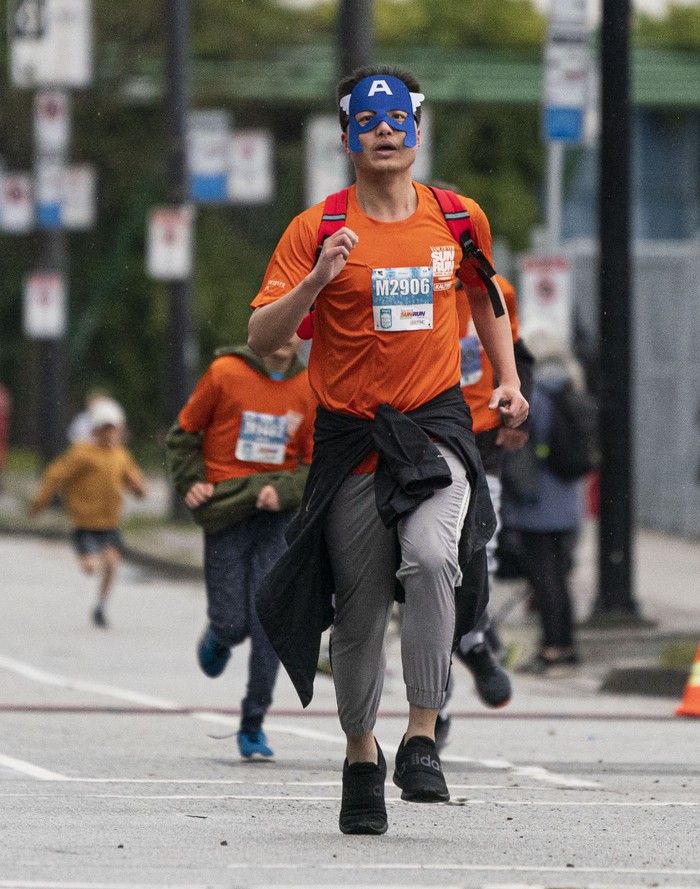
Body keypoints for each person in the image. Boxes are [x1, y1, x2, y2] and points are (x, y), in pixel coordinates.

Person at [247, 66, 528, 835]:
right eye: (367, 120)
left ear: (414, 128)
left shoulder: (458, 218)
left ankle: (421, 735)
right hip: (350, 434)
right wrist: (315, 282)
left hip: (436, 427)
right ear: (346, 138)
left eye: (395, 117)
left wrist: (505, 379)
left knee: (437, 555)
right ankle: (361, 754)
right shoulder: (316, 228)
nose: (383, 129)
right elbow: (263, 337)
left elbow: (484, 293)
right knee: (362, 610)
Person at [165, 336, 315, 761]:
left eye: (294, 330)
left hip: (277, 520)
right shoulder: (224, 374)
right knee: (234, 623)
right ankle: (220, 635)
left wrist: (283, 490)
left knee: (268, 622)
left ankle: (253, 723)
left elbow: (311, 462)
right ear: (259, 329)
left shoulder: (309, 387)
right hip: (226, 513)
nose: (286, 339)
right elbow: (184, 436)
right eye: (277, 325)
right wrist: (190, 482)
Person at [434, 274, 533, 750]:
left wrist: (516, 413)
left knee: (478, 558)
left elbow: (515, 352)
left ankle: (471, 640)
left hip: (481, 441)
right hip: (423, 436)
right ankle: (462, 658)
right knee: (429, 570)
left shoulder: (496, 289)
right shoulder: (402, 282)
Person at [500, 328, 586, 673]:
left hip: (538, 503)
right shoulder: (571, 387)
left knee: (544, 577)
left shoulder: (539, 395)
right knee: (560, 577)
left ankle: (551, 648)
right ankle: (566, 644)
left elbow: (526, 446)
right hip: (567, 500)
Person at [29, 398, 146, 628]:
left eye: (114, 430)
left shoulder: (121, 456)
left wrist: (138, 489)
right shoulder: (82, 453)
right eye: (106, 429)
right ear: (96, 430)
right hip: (85, 523)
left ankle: (101, 606)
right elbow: (56, 474)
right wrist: (40, 503)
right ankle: (93, 558)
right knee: (90, 566)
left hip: (110, 523)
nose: (111, 435)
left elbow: (134, 480)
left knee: (112, 564)